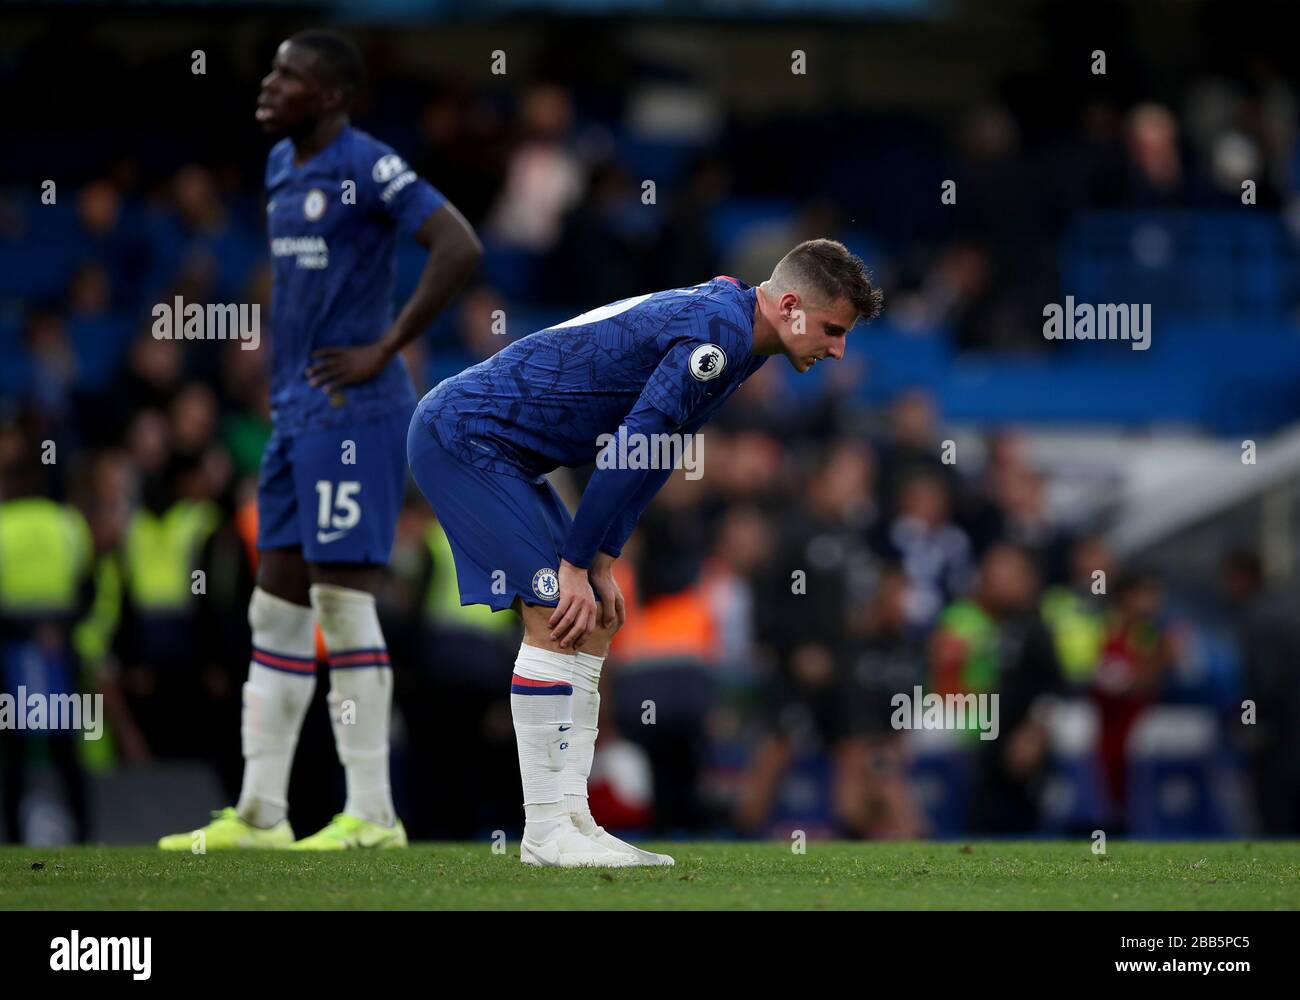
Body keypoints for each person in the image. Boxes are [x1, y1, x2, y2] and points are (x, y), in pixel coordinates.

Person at [407, 238, 882, 866]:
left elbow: (658, 454)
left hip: (510, 453)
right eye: (831, 329)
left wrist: (601, 557)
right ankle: (545, 831)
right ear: (790, 305)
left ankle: (574, 820)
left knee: (598, 616)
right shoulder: (720, 337)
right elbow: (630, 447)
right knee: (554, 613)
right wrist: (573, 565)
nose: (837, 348)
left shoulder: (738, 328)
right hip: (464, 435)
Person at [160, 29, 481, 851]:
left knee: (341, 602)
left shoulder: (368, 163)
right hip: (293, 415)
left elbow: (458, 244)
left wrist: (387, 342)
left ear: (333, 95)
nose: (267, 84)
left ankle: (372, 811)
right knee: (274, 609)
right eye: (269, 68)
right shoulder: (278, 167)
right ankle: (262, 814)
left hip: (356, 415)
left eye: (289, 75)